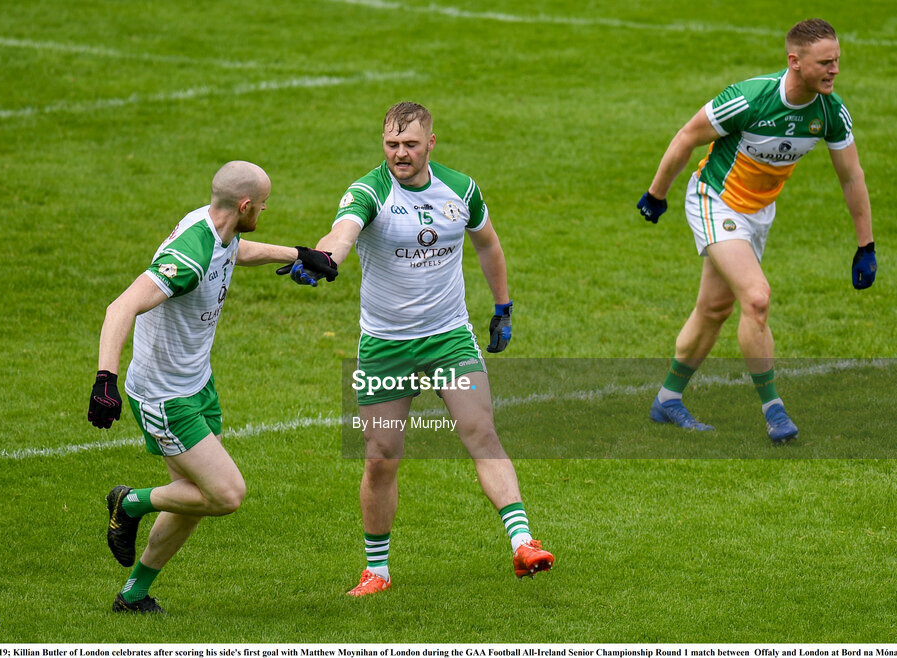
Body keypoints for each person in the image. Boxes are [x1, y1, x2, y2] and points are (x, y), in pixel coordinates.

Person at [303, 102, 553, 597]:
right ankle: (377, 571)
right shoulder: (369, 191)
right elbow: (343, 232)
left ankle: (523, 543)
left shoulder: (461, 189)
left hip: (448, 337)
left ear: (431, 144)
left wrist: (502, 307)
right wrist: (323, 257)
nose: (400, 153)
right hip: (385, 346)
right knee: (381, 456)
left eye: (410, 144)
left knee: (482, 433)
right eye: (392, 144)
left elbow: (488, 244)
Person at [87, 161, 337, 614]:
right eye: (263, 204)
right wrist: (106, 379)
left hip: (198, 382)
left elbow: (236, 251)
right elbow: (120, 307)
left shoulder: (217, 227)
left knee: (193, 500)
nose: (265, 210)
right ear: (245, 205)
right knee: (225, 494)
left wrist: (299, 253)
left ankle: (134, 595)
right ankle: (129, 503)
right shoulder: (189, 256)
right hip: (165, 396)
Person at [636, 18, 877, 444]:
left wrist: (866, 245)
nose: (835, 70)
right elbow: (687, 136)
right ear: (795, 61)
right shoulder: (749, 99)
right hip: (715, 200)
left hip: (759, 213)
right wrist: (657, 194)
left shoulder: (830, 112)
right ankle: (774, 410)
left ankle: (667, 400)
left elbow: (851, 177)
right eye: (825, 63)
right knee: (757, 297)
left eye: (837, 60)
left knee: (714, 309)